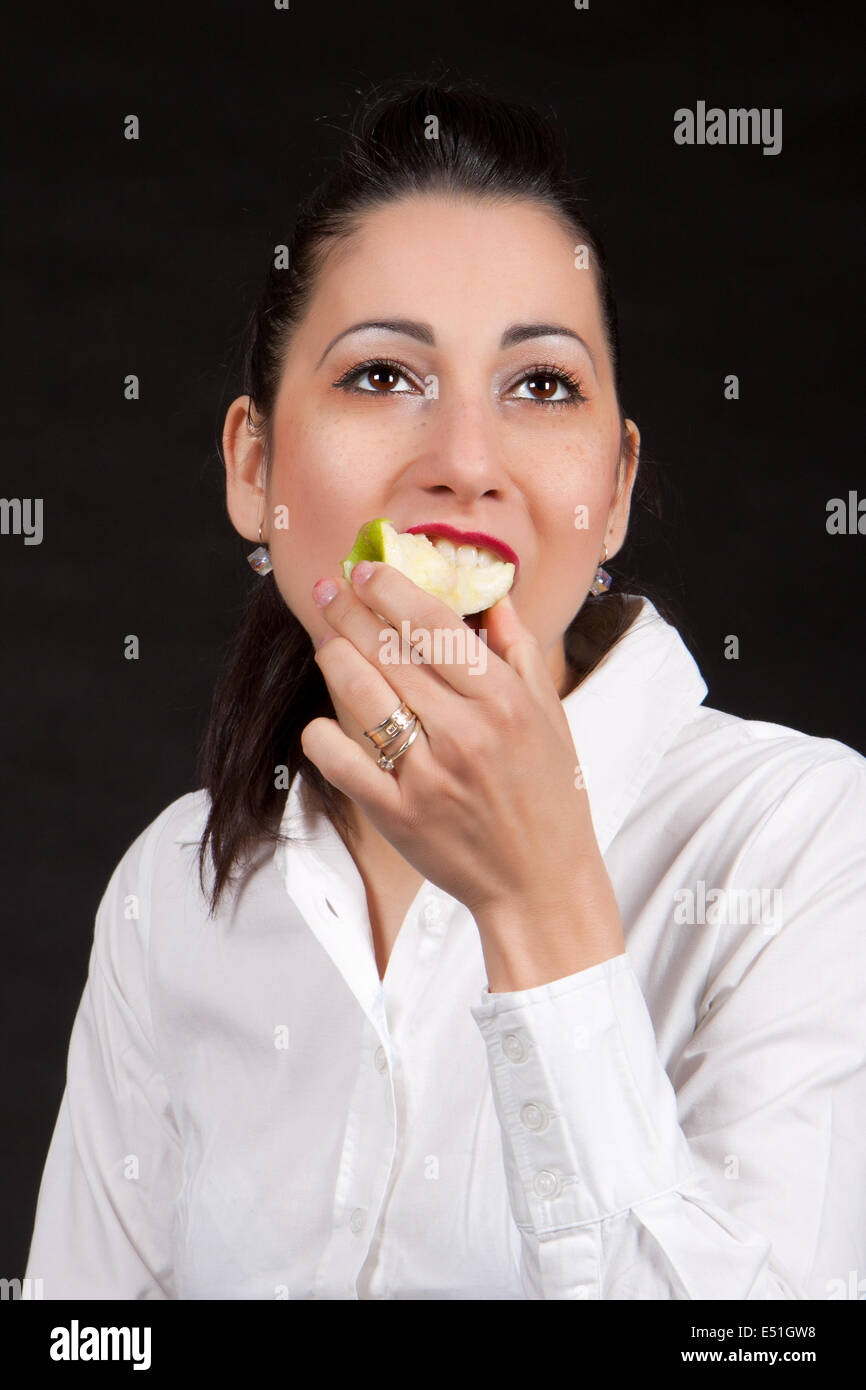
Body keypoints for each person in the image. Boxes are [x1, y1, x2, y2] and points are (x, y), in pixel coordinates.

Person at [23, 77, 866, 1301]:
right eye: (379, 377)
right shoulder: (174, 882)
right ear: (254, 467)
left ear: (615, 488)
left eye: (539, 386)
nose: (465, 464)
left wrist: (542, 907)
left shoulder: (802, 843)